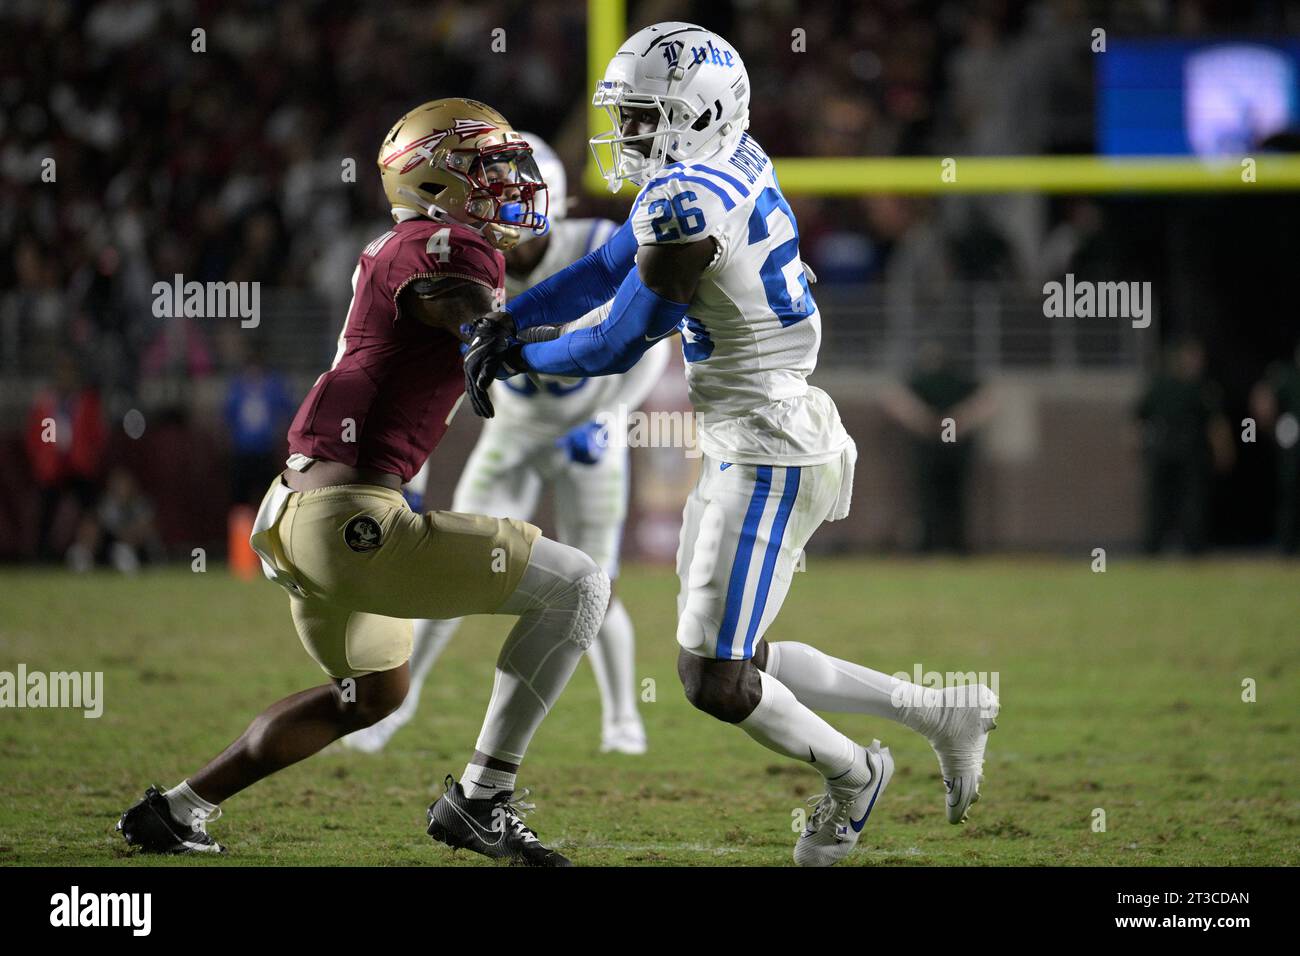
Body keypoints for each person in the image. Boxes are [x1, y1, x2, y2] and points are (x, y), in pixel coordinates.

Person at [462, 23, 998, 867]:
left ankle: (856, 776)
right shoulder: (719, 165)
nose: (626, 135)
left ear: (696, 112)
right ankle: (939, 712)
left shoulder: (687, 205)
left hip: (771, 446)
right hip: (755, 434)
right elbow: (607, 265)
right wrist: (513, 318)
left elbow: (615, 341)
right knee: (729, 656)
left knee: (713, 679)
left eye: (642, 117)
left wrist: (520, 356)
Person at [117, 98, 608, 867]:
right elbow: (451, 293)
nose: (514, 179)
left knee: (371, 697)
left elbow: (480, 300)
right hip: (352, 521)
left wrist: (597, 287)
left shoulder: (412, 242)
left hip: (296, 512)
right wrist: (484, 324)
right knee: (578, 586)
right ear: (436, 181)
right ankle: (482, 801)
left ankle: (176, 811)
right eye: (491, 166)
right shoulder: (452, 248)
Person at [342, 134, 665, 756]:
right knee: (450, 569)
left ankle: (624, 719)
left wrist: (607, 416)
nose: (515, 226)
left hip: (587, 428)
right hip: (513, 427)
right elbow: (437, 371)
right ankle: (395, 708)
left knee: (599, 580)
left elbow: (652, 343)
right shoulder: (465, 263)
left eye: (526, 209)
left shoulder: (595, 244)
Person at [880, 340, 995, 553]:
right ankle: (934, 545)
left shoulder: (957, 380)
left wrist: (956, 420)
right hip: (932, 450)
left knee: (951, 499)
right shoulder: (922, 382)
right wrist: (925, 420)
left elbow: (988, 400)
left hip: (951, 451)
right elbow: (894, 399)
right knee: (929, 500)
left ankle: (954, 545)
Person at [1135, 339, 1233, 555]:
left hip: (1192, 452)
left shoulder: (1203, 388)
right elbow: (1139, 417)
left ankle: (1193, 548)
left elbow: (1215, 424)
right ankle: (1152, 548)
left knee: (1192, 501)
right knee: (1159, 502)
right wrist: (1137, 445)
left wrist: (1222, 450)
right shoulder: (1162, 385)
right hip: (1164, 450)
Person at [1249, 342, 1300, 554]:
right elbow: (1261, 399)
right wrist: (1269, 429)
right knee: (1290, 493)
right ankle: (1287, 546)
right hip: (1293, 447)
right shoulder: (1285, 376)